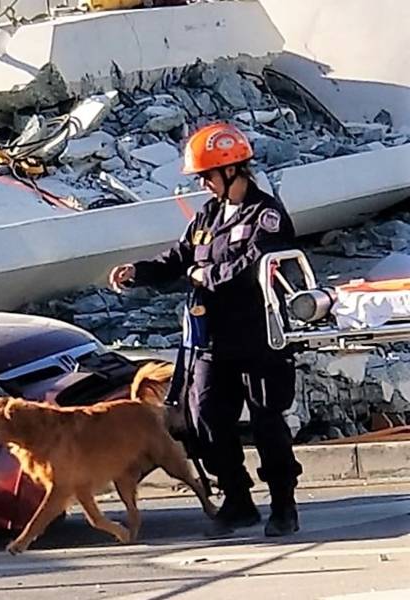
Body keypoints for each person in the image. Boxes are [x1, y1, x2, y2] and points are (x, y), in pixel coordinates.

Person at [108, 122, 302, 537]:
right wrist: (138, 272)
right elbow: (180, 256)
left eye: (207, 176)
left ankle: (283, 504)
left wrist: (204, 275)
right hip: (212, 339)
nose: (204, 184)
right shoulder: (209, 215)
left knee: (268, 422)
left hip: (258, 336)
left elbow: (251, 265)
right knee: (205, 417)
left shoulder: (265, 216)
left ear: (231, 170)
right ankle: (237, 498)